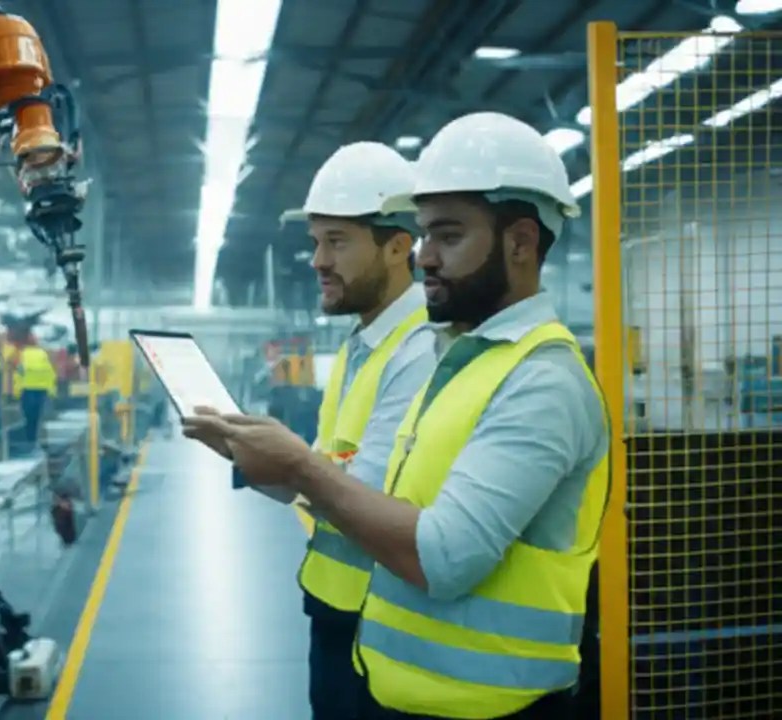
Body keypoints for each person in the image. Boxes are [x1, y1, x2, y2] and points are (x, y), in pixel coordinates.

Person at [183, 112, 608, 720]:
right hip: (403, 688)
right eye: (426, 234)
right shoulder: (456, 358)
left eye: (449, 236)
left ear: (519, 243)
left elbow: (441, 558)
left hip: (496, 707)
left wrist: (302, 467)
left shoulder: (542, 381)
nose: (426, 257)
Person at [190, 141, 436, 720]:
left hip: (379, 621)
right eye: (316, 242)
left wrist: (295, 461)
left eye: (337, 241)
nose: (318, 261)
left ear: (398, 247)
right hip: (334, 611)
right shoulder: (362, 346)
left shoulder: (420, 349)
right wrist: (246, 454)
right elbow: (324, 485)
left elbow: (360, 499)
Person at [16, 338, 57, 453]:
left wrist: (16, 392)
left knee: (28, 418)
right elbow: (50, 373)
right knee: (39, 418)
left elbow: (19, 372)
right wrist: (52, 391)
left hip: (27, 390)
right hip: (41, 390)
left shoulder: (23, 354)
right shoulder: (43, 354)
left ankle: (30, 441)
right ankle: (38, 442)